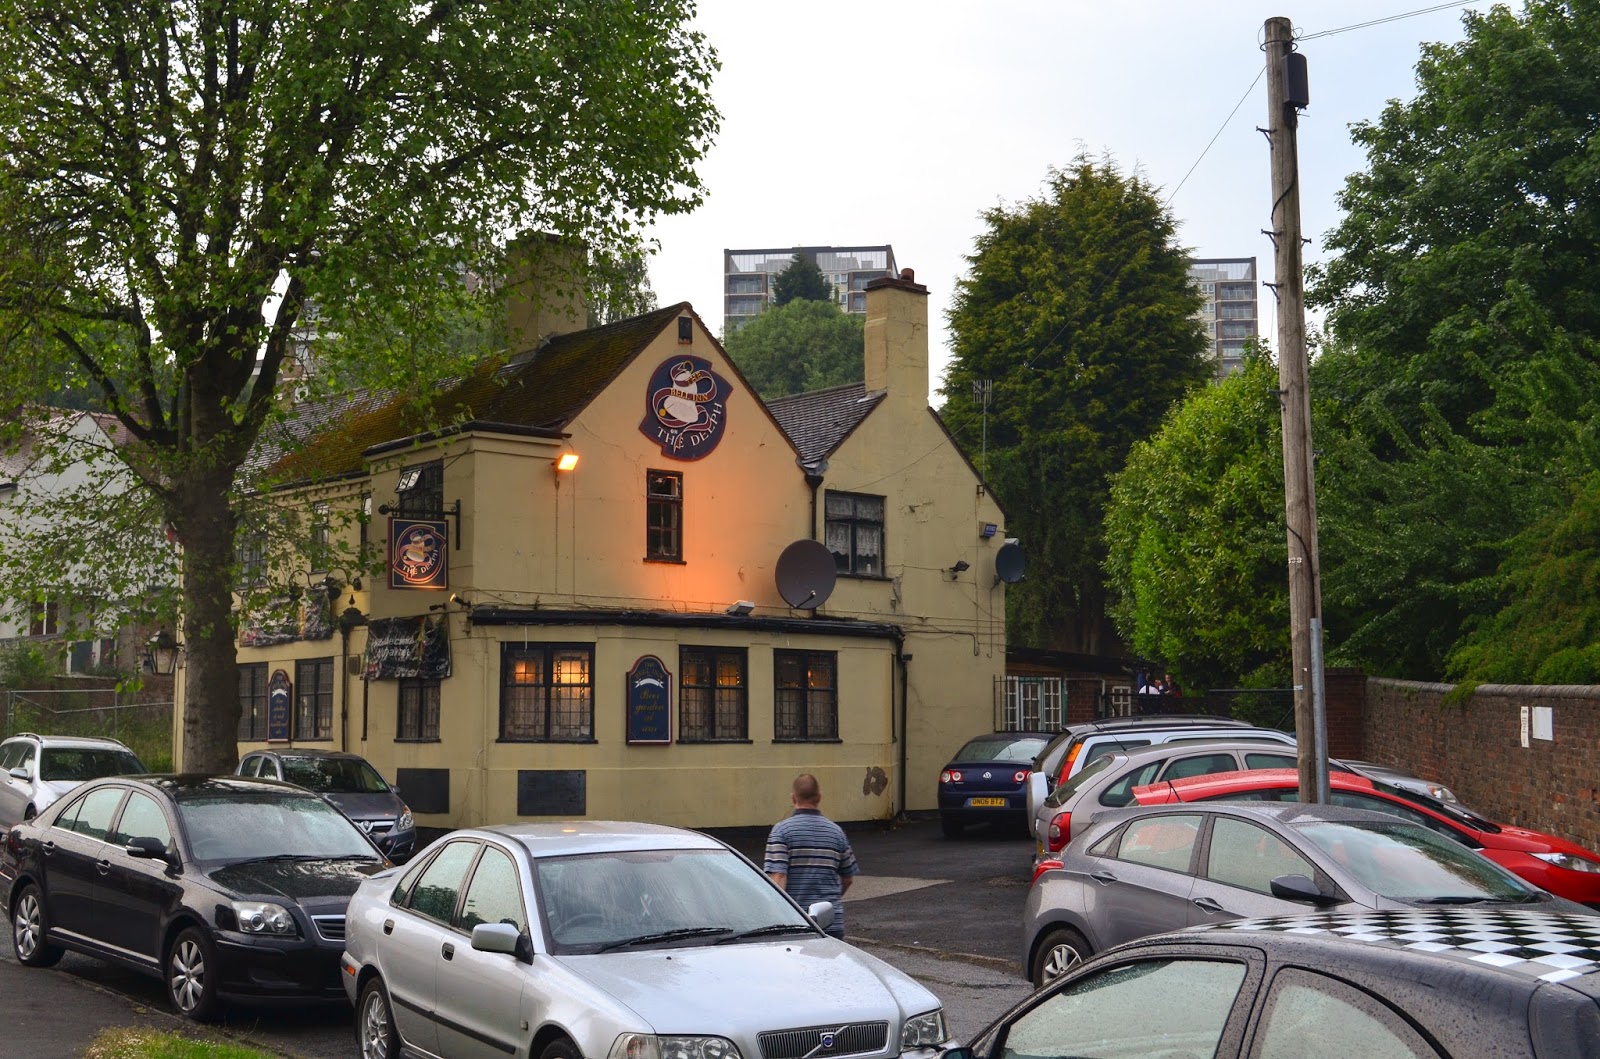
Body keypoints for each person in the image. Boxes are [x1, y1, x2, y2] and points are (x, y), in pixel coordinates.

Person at [764, 773, 859, 940]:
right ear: (819, 797)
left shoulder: (781, 832)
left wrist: (775, 914)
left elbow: (778, 876)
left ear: (793, 798)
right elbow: (848, 878)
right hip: (832, 923)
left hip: (797, 922)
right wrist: (830, 901)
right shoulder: (837, 832)